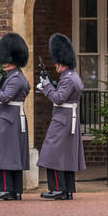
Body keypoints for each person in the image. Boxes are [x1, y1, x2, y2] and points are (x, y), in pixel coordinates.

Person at [37, 33, 84, 200]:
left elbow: (58, 98)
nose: (55, 65)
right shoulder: (71, 77)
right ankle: (67, 189)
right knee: (65, 155)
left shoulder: (69, 79)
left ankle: (57, 189)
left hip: (62, 119)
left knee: (53, 155)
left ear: (61, 62)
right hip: (67, 118)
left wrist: (46, 85)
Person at [0, 32, 31, 201]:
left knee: (5, 155)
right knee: (13, 156)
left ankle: (5, 189)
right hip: (12, 118)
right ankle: (16, 190)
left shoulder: (16, 78)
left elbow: (5, 97)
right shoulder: (14, 76)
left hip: (10, 119)